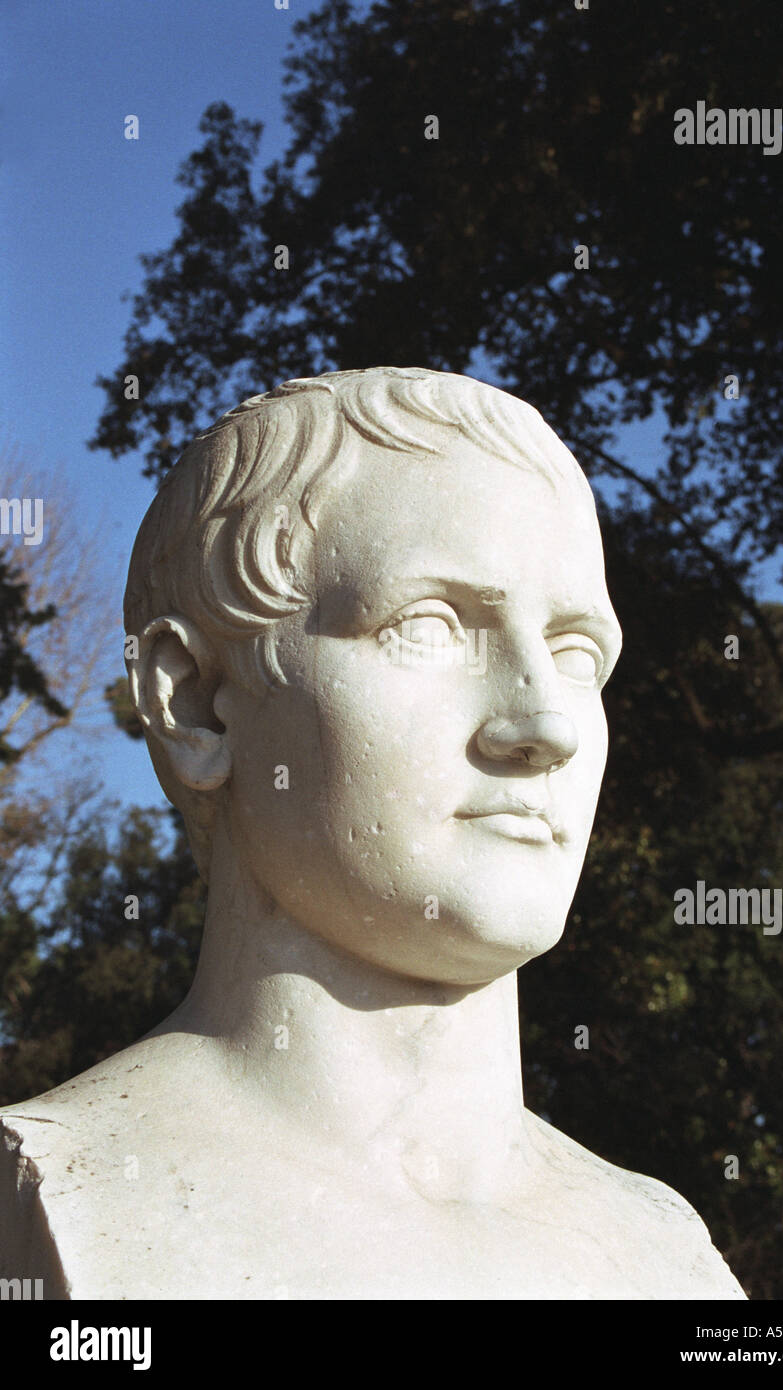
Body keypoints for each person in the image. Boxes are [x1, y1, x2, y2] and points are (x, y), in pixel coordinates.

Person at [0, 368, 745, 1298]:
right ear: (199, 706)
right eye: (428, 625)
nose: (544, 725)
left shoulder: (668, 1255)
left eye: (574, 654)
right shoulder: (58, 1199)